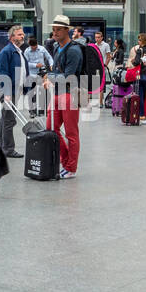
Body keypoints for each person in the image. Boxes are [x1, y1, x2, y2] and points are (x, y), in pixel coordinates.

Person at [49, 14, 85, 179]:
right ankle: (65, 161)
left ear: (67, 31)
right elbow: (56, 71)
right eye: (53, 29)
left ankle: (71, 167)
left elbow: (68, 77)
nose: (55, 32)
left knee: (71, 133)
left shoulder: (74, 51)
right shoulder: (57, 48)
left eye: (58, 30)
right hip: (57, 93)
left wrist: (50, 77)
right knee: (52, 128)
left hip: (70, 94)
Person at [0, 24, 27, 158]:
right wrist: (7, 93)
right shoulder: (7, 52)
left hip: (15, 91)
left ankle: (1, 145)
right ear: (12, 37)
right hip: (9, 92)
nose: (23, 36)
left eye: (22, 34)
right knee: (9, 120)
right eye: (19, 34)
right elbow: (3, 73)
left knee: (5, 119)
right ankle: (8, 149)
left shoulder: (17, 51)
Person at [23, 35, 52, 117]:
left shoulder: (42, 49)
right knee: (31, 93)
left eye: (35, 47)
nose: (34, 49)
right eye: (32, 48)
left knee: (43, 91)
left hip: (42, 73)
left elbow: (49, 57)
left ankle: (41, 109)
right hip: (31, 74)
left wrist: (51, 64)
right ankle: (31, 110)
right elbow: (26, 63)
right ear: (30, 46)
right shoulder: (27, 51)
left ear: (37, 44)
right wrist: (35, 65)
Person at [128, 34, 146, 122]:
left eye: (139, 40)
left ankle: (141, 114)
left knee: (140, 96)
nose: (138, 42)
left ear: (143, 41)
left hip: (140, 75)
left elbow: (137, 62)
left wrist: (133, 61)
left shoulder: (140, 50)